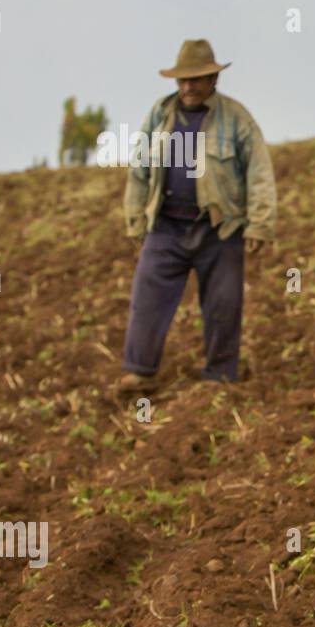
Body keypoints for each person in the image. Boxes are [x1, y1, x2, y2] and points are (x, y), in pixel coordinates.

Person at [117, 39, 276, 392]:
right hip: (165, 225)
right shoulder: (160, 116)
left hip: (218, 229)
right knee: (147, 299)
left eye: (196, 80)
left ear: (213, 80)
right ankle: (140, 371)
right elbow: (139, 168)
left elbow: (259, 173)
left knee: (224, 304)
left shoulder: (236, 118)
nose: (188, 88)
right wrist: (136, 220)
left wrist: (260, 224)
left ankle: (219, 376)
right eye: (183, 81)